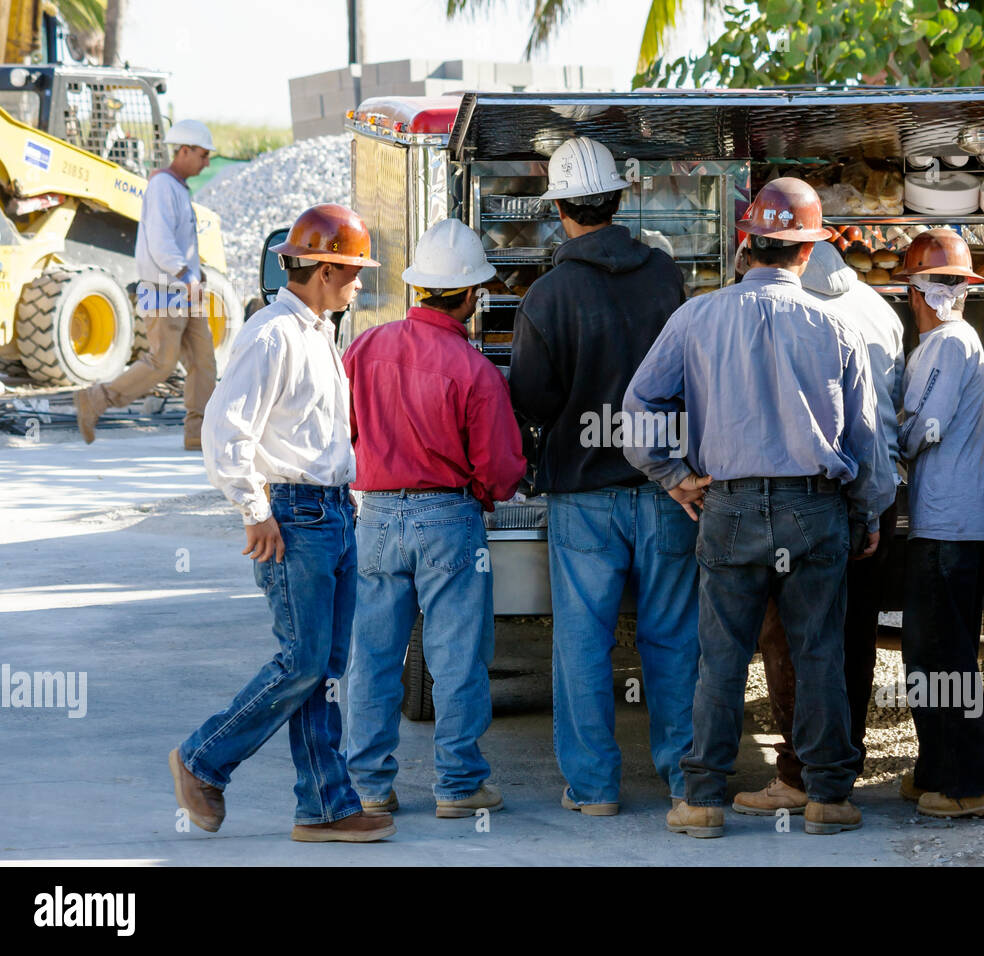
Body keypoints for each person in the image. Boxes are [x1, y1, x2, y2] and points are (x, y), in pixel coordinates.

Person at [625, 178, 894, 838]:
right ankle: (828, 798)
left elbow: (639, 411)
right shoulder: (839, 326)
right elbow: (868, 445)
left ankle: (704, 801)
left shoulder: (697, 317)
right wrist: (867, 513)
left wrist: (675, 477)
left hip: (731, 507)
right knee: (820, 654)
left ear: (748, 244)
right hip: (816, 510)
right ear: (808, 252)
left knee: (718, 657)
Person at [168, 204, 395, 843]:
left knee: (322, 666)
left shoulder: (317, 330)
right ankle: (202, 758)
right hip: (295, 516)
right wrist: (255, 510)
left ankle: (325, 805)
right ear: (323, 270)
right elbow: (225, 430)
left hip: (330, 510)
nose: (358, 284)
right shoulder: (272, 335)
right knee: (301, 661)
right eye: (352, 272)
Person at [509, 136, 699, 816]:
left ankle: (593, 790)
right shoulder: (664, 276)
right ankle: (687, 781)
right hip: (668, 487)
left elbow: (531, 399)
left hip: (583, 495)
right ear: (619, 199)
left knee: (583, 641)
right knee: (674, 636)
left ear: (561, 208)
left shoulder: (549, 294)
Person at [343, 219, 526, 819]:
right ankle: (458, 785)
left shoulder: (364, 349)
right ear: (473, 296)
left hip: (374, 517)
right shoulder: (474, 370)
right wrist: (483, 490)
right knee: (457, 655)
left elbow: (340, 435)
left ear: (418, 287)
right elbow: (500, 467)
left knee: (373, 655)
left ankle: (368, 786)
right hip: (448, 519)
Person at [733, 239, 904, 817]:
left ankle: (801, 774)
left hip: (816, 499)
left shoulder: (799, 319)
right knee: (850, 639)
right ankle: (838, 767)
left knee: (792, 639)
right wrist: (876, 507)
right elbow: (881, 422)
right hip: (875, 493)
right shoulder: (879, 309)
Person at [891, 229, 984, 818]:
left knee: (942, 654)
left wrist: (885, 448)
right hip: (953, 519)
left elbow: (921, 427)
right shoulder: (956, 341)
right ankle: (938, 767)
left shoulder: (946, 345)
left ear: (918, 294)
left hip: (949, 524)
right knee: (930, 650)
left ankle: (973, 784)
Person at [76, 119, 216, 450]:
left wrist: (194, 275)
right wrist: (184, 273)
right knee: (162, 363)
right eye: (204, 155)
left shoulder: (177, 188)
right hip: (166, 291)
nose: (207, 162)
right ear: (184, 151)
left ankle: (199, 433)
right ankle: (96, 399)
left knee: (204, 362)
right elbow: (159, 240)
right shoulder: (162, 187)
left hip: (184, 292)